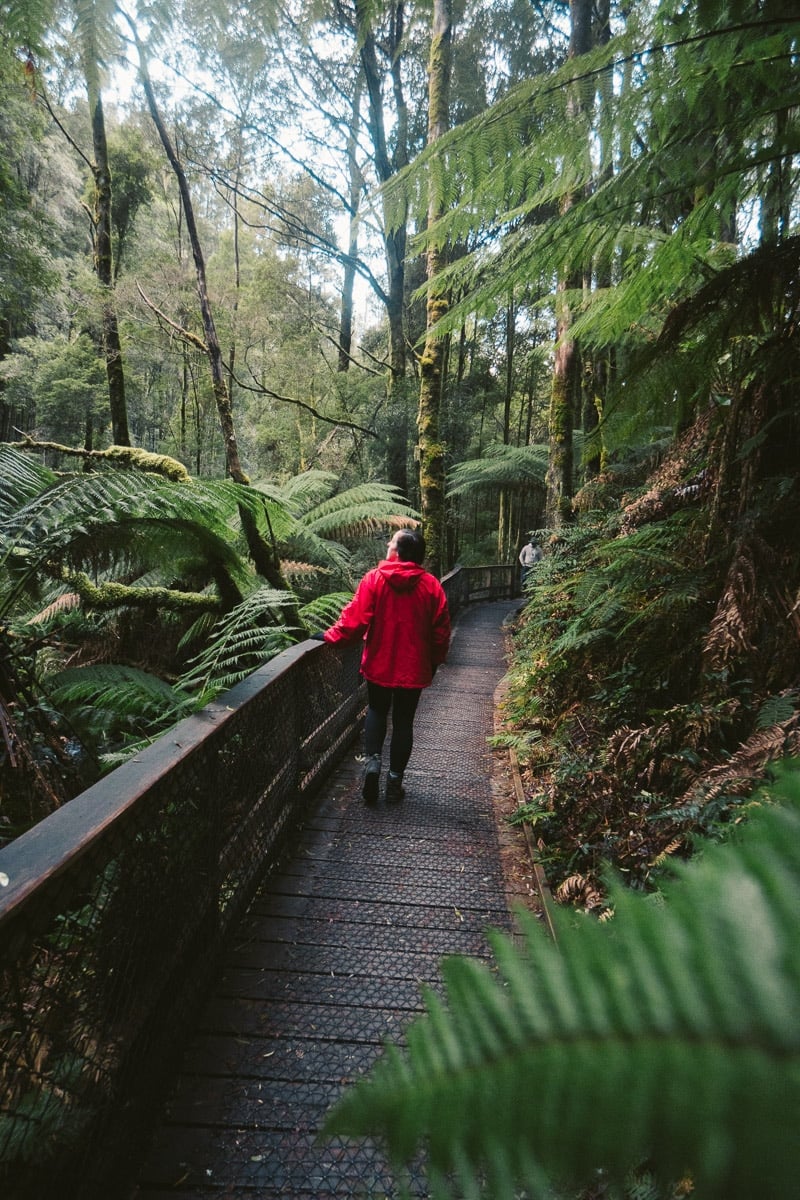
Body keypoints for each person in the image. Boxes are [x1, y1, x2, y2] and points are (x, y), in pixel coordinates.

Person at [319, 528, 451, 804]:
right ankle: (393, 782)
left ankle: (372, 763)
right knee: (404, 722)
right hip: (414, 668)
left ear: (398, 551)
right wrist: (435, 662)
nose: (387, 546)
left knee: (377, 710)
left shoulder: (374, 580)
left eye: (391, 542)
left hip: (380, 663)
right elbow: (440, 632)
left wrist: (329, 636)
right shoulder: (431, 586)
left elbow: (354, 621)